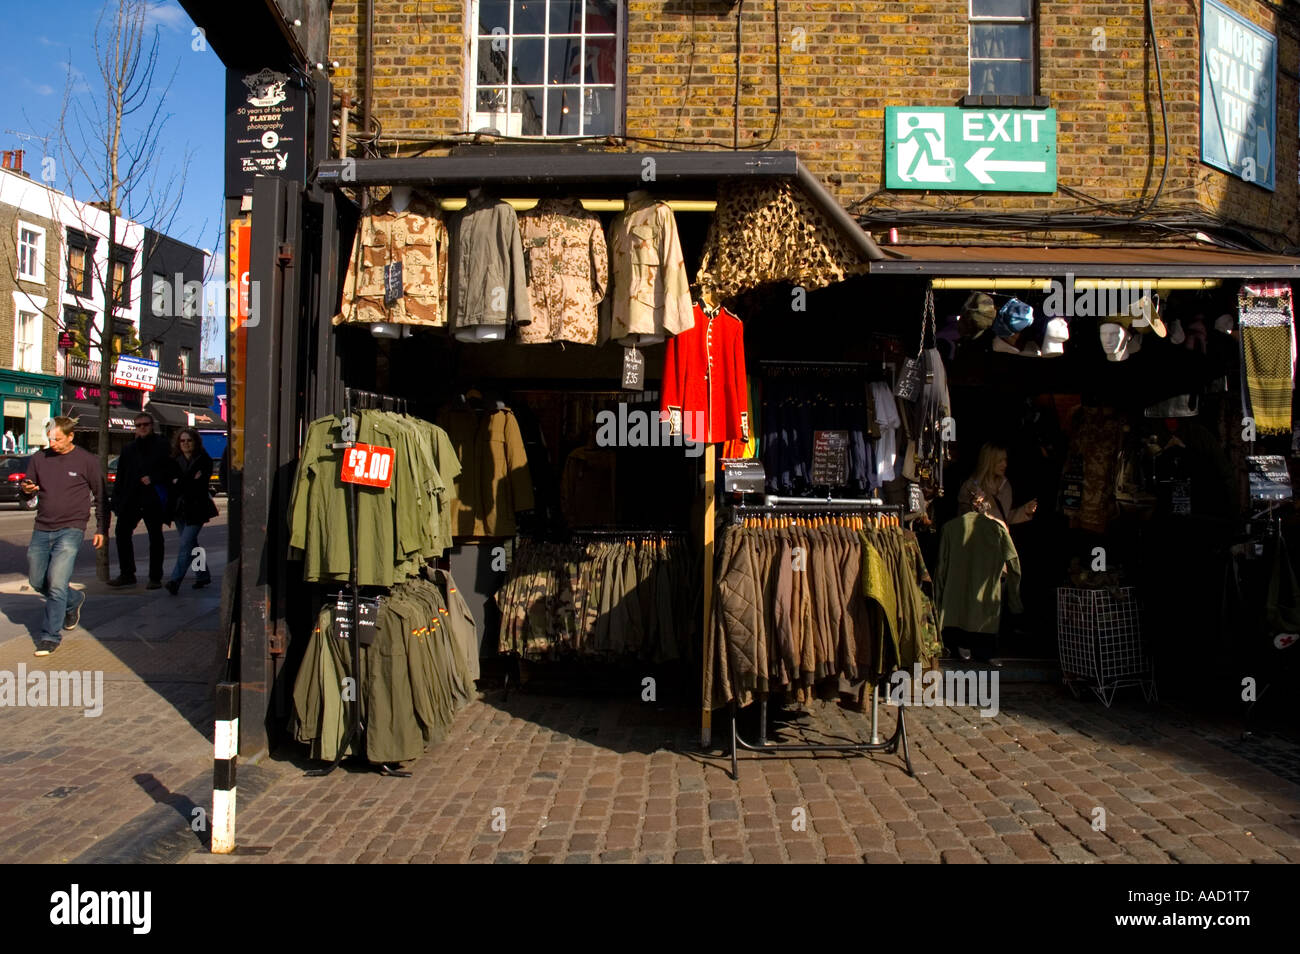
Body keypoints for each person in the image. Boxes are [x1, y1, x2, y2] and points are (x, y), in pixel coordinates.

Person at [20, 417, 108, 656]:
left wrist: (101, 528)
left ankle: (49, 636)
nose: (53, 444)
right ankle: (74, 599)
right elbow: (27, 494)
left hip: (71, 528)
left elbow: (101, 496)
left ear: (71, 436)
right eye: (50, 439)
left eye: (58, 439)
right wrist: (26, 490)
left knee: (57, 582)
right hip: (42, 527)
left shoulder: (87, 461)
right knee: (38, 581)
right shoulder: (39, 459)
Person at [109, 412, 172, 589]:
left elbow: (170, 469)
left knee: (155, 536)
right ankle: (127, 573)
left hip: (152, 498)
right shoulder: (129, 448)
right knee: (121, 532)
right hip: (132, 498)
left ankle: (155, 577)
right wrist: (117, 498)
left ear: (152, 425)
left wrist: (154, 478)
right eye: (139, 425)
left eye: (145, 424)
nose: (142, 428)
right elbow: (121, 474)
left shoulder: (162, 445)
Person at [164, 427, 218, 594]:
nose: (186, 443)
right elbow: (172, 482)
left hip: (197, 509)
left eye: (189, 440)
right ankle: (202, 575)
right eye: (182, 441)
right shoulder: (173, 460)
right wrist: (188, 481)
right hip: (179, 509)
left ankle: (175, 580)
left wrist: (180, 482)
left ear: (195, 442)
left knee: (185, 543)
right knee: (191, 544)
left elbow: (198, 486)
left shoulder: (204, 460)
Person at [957, 442, 1037, 527]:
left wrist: (1023, 511)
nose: (1005, 465)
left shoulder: (1005, 486)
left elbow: (1002, 518)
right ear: (989, 461)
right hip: (980, 538)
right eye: (1000, 461)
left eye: (1005, 460)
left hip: (998, 538)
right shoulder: (971, 486)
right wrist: (975, 507)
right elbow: (962, 519)